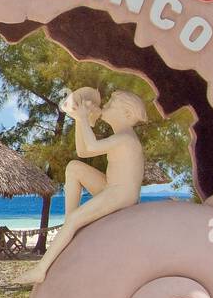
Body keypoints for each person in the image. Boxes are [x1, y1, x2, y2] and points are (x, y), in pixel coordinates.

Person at [17, 88, 147, 284]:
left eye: (111, 104)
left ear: (127, 115)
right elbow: (84, 151)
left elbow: (93, 146)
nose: (105, 106)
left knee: (77, 216)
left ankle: (41, 269)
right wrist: (79, 119)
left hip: (122, 193)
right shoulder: (121, 136)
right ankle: (71, 222)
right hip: (111, 186)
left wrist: (85, 117)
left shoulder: (126, 139)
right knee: (74, 168)